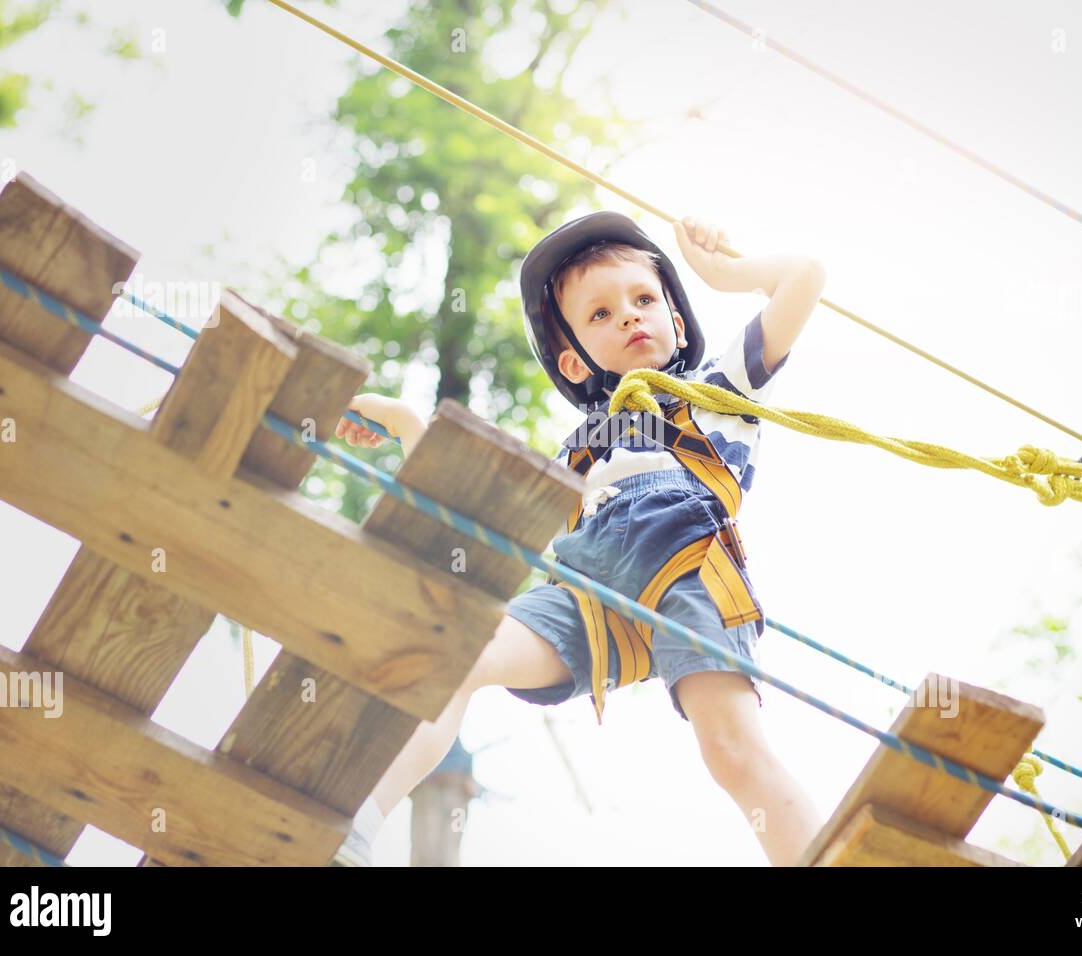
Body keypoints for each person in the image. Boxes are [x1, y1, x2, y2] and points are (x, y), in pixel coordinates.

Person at [331, 212, 827, 866]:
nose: (628, 317)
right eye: (600, 314)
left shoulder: (717, 388)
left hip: (688, 570)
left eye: (646, 300)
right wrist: (404, 423)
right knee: (459, 647)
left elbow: (805, 276)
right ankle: (354, 828)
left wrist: (722, 273)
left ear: (676, 320)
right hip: (588, 594)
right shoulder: (577, 456)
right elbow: (479, 505)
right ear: (572, 359)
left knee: (732, 751)